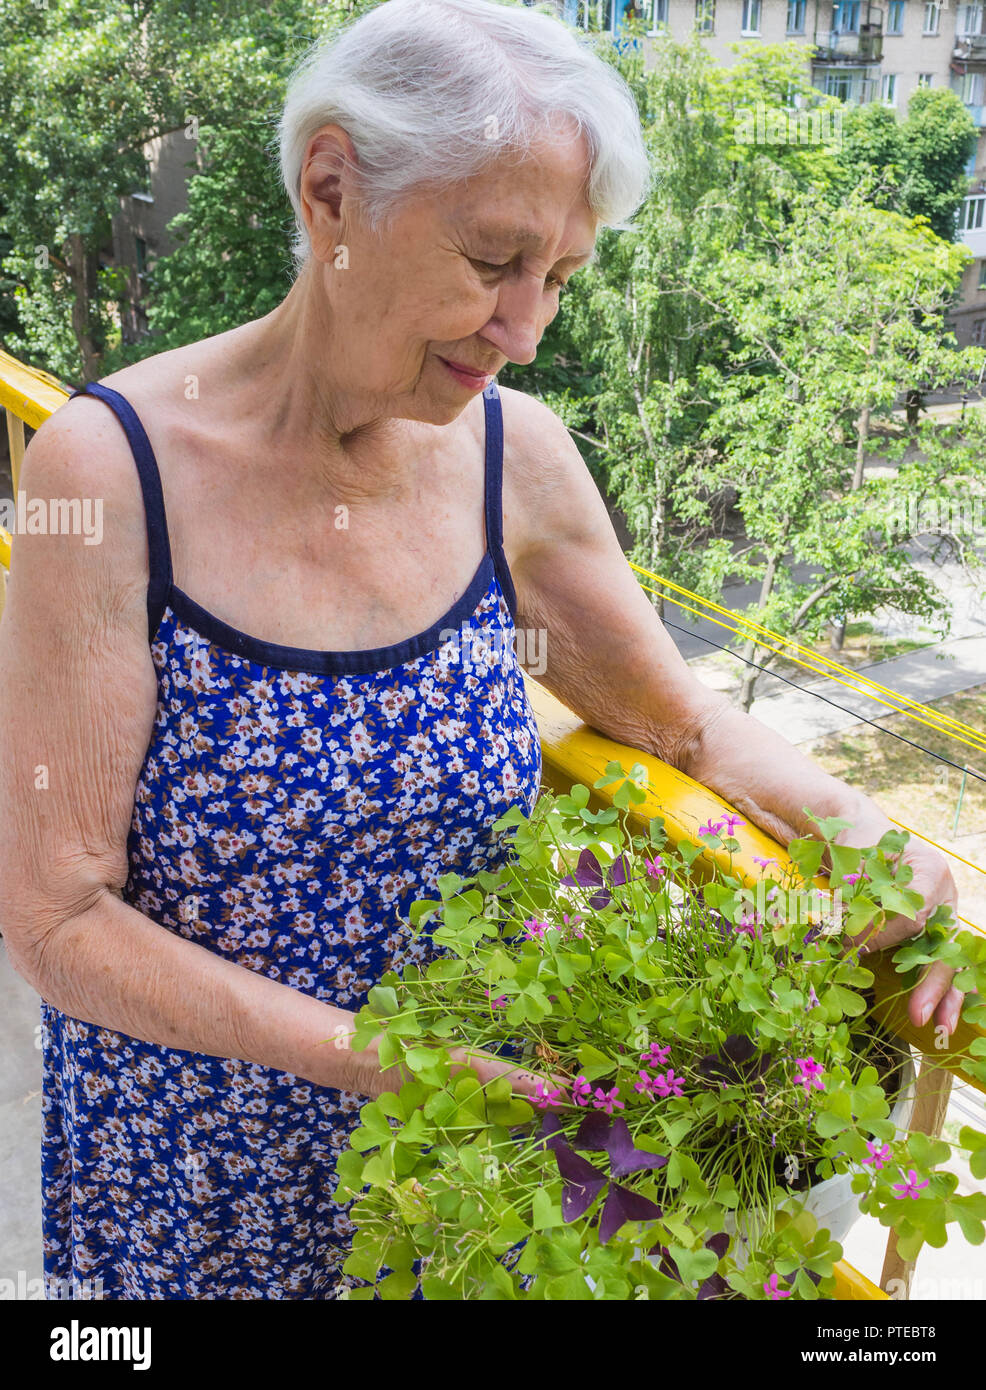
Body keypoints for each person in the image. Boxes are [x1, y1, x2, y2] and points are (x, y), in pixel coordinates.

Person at [0, 0, 959, 1301]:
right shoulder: (107, 476)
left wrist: (865, 834)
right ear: (330, 185)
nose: (523, 328)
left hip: (456, 1189)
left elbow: (676, 726)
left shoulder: (519, 461)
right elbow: (54, 916)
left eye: (558, 278)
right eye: (492, 258)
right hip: (193, 1189)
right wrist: (378, 1056)